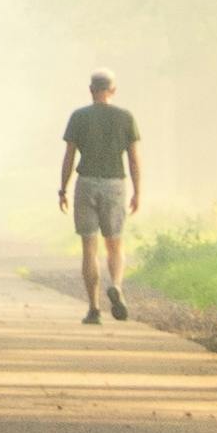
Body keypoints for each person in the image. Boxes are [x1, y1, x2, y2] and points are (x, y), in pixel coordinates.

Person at [54, 73, 141, 322]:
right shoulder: (125, 117)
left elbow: (69, 157)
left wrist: (63, 189)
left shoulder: (79, 117)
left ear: (91, 89)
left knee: (89, 248)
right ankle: (116, 285)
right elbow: (134, 159)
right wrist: (137, 191)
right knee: (115, 244)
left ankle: (93, 309)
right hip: (115, 184)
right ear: (113, 89)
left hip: (86, 183)